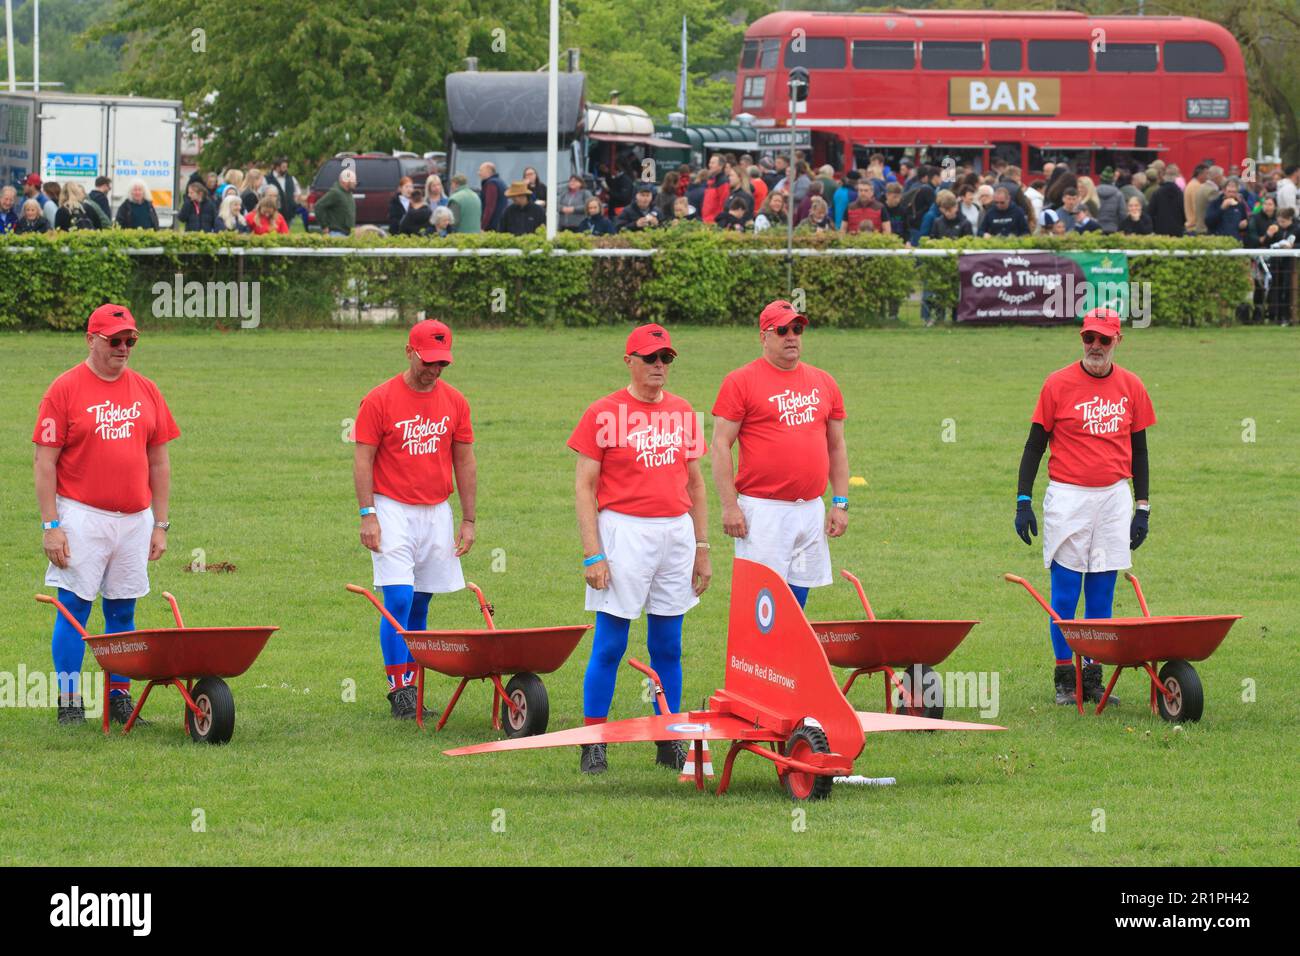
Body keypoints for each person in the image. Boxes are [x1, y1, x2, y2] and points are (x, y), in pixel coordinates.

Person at [568, 324, 710, 775]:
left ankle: (668, 737)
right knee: (611, 642)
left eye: (665, 358)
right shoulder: (603, 413)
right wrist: (593, 553)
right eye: (650, 358)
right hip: (624, 532)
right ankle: (594, 741)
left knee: (667, 643)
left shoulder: (685, 412)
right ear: (629, 360)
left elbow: (695, 482)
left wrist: (702, 547)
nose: (659, 367)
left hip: (676, 532)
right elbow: (584, 487)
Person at [34, 304, 180, 724]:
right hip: (82, 516)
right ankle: (69, 701)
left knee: (122, 611)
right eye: (114, 340)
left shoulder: (147, 390)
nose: (123, 348)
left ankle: (118, 697)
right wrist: (52, 526)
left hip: (136, 518)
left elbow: (160, 462)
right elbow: (45, 463)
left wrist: (161, 522)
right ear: (91, 339)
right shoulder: (64, 389)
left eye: (130, 340)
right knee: (74, 607)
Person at [1015, 307, 1155, 706]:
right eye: (1088, 338)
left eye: (1103, 340)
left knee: (1101, 597)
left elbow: (1140, 452)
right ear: (1082, 339)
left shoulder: (1132, 386)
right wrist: (1023, 500)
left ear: (1117, 342)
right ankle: (1064, 678)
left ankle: (1092, 678)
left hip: (1113, 497)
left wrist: (1142, 508)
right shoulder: (1057, 384)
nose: (1095, 347)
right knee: (1064, 594)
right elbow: (1033, 446)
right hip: (1068, 497)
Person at [353, 319, 477, 719]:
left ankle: (415, 684)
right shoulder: (379, 399)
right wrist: (367, 513)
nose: (434, 370)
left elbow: (464, 459)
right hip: (391, 509)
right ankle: (398, 688)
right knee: (399, 599)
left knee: (422, 599)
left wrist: (469, 519)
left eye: (442, 363)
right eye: (428, 361)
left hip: (436, 510)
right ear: (409, 352)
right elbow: (363, 459)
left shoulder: (456, 402)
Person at [711, 300, 848, 610]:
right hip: (763, 511)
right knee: (763, 606)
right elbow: (720, 445)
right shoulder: (740, 381)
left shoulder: (824, 382)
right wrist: (730, 506)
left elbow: (836, 446)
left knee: (797, 603)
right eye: (782, 330)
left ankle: (788, 659)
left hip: (810, 510)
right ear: (763, 337)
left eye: (797, 329)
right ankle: (758, 660)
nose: (792, 337)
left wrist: (840, 503)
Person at [314, 167, 356, 236]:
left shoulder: (349, 193)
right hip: (337, 233)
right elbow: (319, 206)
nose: (355, 182)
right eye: (353, 180)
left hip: (347, 233)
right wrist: (324, 226)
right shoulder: (335, 192)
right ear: (345, 180)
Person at [1148, 166, 1185, 237]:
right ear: (1175, 178)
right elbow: (1184, 213)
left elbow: (1150, 212)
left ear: (1164, 177)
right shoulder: (1180, 194)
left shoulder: (1157, 193)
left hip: (1160, 231)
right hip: (1177, 232)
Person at [265, 158, 303, 227]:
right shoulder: (267, 179)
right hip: (273, 213)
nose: (286, 169)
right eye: (283, 167)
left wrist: (294, 203)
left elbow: (298, 193)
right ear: (277, 167)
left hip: (289, 214)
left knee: (286, 234)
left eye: (286, 167)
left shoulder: (291, 178)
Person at [478, 162, 509, 232]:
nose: (478, 173)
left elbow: (489, 207)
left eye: (481, 170)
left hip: (492, 227)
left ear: (488, 171)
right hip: (500, 223)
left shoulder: (491, 184)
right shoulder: (500, 182)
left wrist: (482, 226)